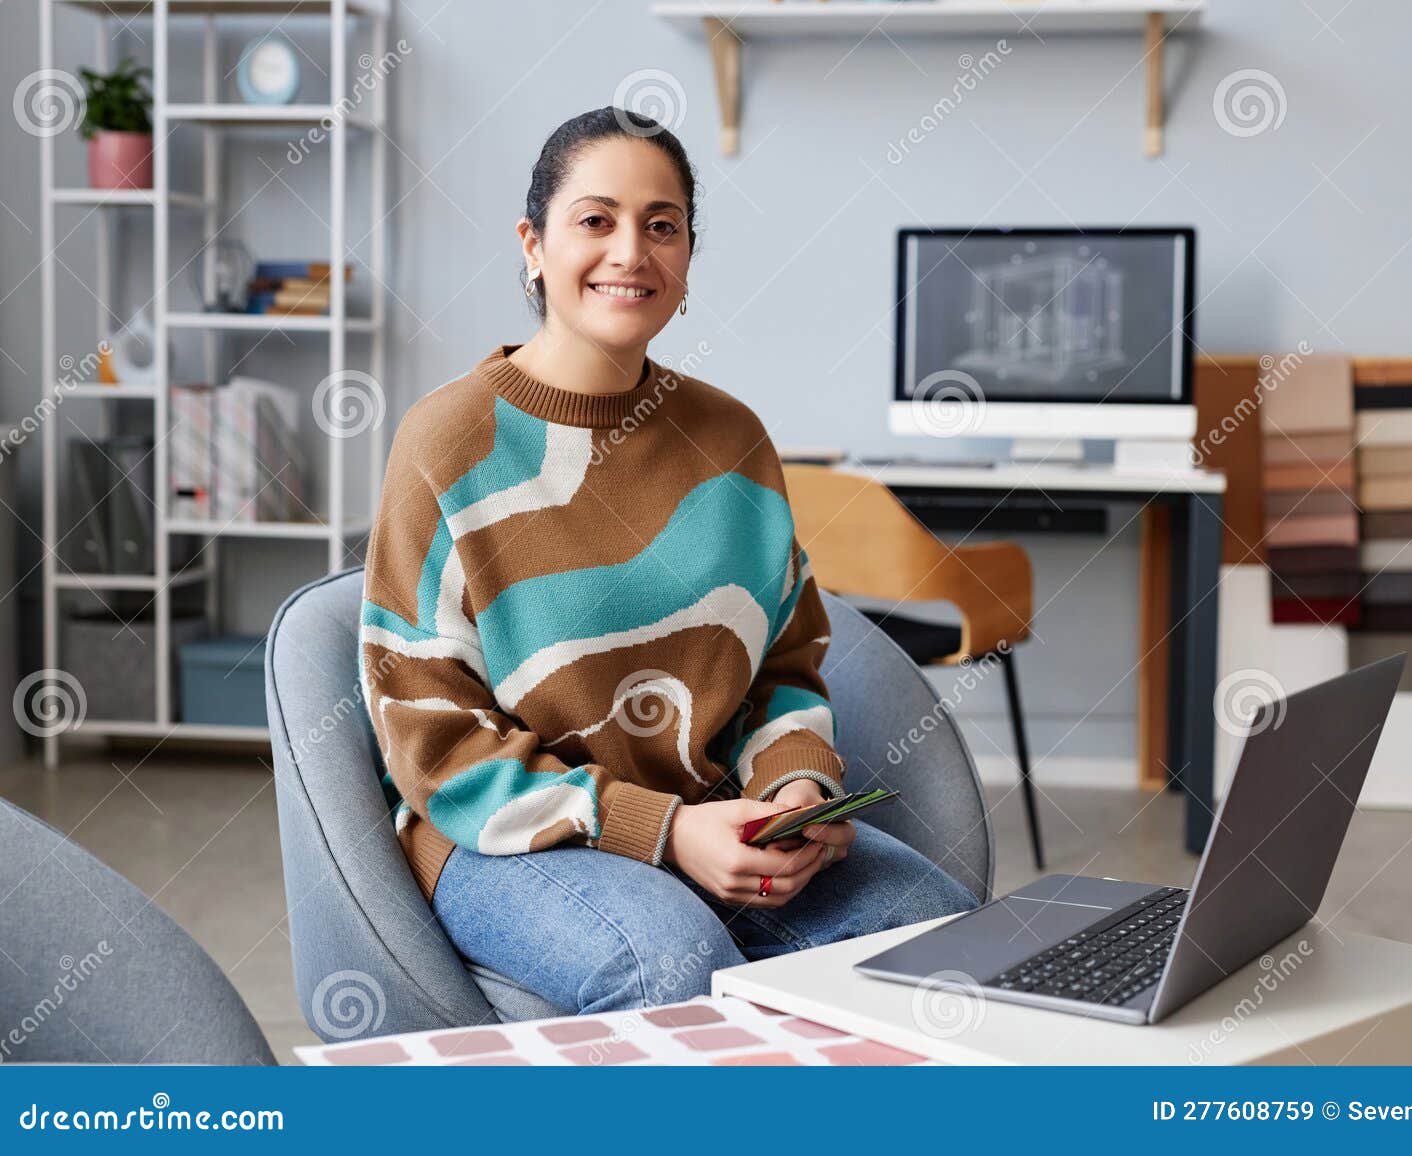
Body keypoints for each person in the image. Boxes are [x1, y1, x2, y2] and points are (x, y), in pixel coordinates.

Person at [360, 106, 978, 1014]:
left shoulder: (732, 438)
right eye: (595, 220)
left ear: (688, 257)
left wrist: (796, 787)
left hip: (718, 818)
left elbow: (785, 664)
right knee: (670, 966)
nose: (631, 252)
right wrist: (665, 831)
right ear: (533, 245)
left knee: (935, 928)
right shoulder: (445, 441)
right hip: (499, 834)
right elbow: (431, 736)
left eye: (662, 226)